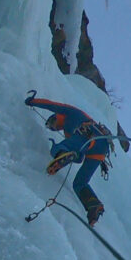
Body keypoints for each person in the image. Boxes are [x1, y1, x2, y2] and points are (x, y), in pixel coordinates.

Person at [24, 91, 114, 226]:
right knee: (79, 183)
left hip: (91, 135)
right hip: (99, 151)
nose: (53, 127)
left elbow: (52, 105)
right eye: (51, 128)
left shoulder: (70, 113)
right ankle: (93, 206)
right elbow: (78, 158)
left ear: (56, 117)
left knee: (58, 148)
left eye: (52, 123)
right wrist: (72, 156)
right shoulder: (68, 133)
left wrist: (33, 102)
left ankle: (60, 153)